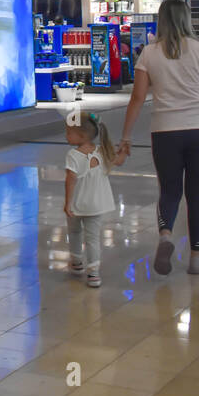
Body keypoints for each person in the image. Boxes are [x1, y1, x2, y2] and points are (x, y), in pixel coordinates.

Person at [118, 0, 199, 277]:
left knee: (170, 191)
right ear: (187, 19)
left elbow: (136, 99)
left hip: (164, 131)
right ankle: (195, 259)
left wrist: (125, 137)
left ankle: (166, 236)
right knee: (196, 195)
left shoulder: (149, 53)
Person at [63, 111, 124, 288]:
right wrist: (124, 152)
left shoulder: (73, 156)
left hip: (77, 204)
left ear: (81, 135)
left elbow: (70, 181)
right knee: (93, 238)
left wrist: (67, 203)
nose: (66, 136)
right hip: (97, 205)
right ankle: (94, 274)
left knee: (74, 232)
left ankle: (76, 263)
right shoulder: (102, 151)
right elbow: (118, 161)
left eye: (69, 132)